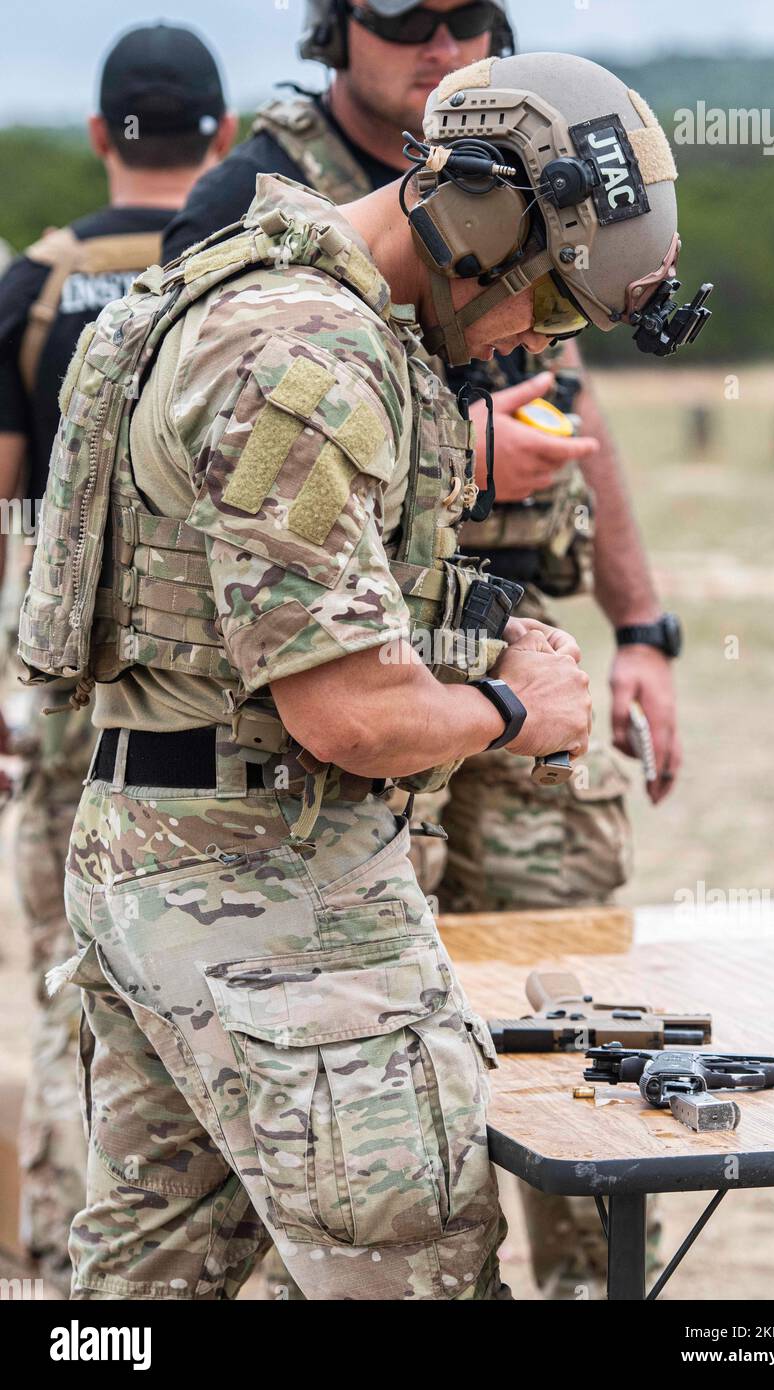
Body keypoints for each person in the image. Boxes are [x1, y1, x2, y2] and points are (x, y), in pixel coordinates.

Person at [21, 50, 700, 1300]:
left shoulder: (252, 286)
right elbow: (343, 711)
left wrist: (473, 642)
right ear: (485, 222)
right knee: (418, 1274)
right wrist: (517, 711)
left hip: (166, 855)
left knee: (153, 1288)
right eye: (547, 300)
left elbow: (241, 629)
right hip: (272, 892)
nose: (533, 338)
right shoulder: (312, 360)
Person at [0, 21, 235, 1287]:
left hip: (65, 688)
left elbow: (4, 512)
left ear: (100, 135)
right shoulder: (241, 269)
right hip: (213, 692)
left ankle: (61, 1258)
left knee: (64, 976)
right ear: (224, 134)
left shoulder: (33, 287)